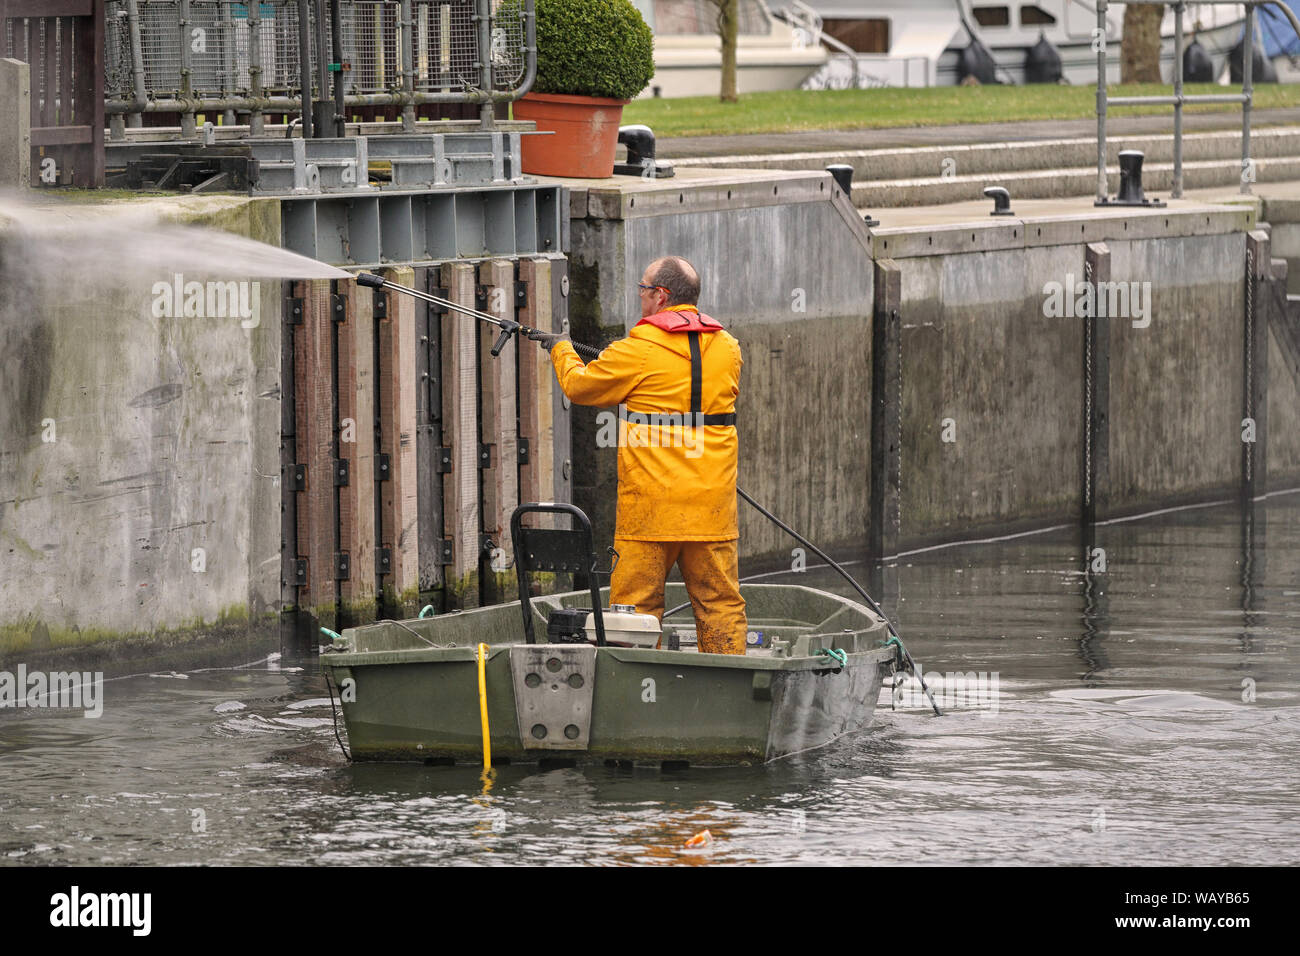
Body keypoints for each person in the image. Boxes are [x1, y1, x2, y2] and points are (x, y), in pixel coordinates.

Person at [529, 256, 747, 655]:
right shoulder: (728, 348)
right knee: (720, 605)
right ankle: (728, 684)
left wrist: (561, 348)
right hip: (712, 510)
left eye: (643, 290)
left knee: (636, 610)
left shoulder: (638, 349)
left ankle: (638, 687)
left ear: (661, 297)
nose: (641, 297)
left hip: (651, 510)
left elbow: (580, 387)